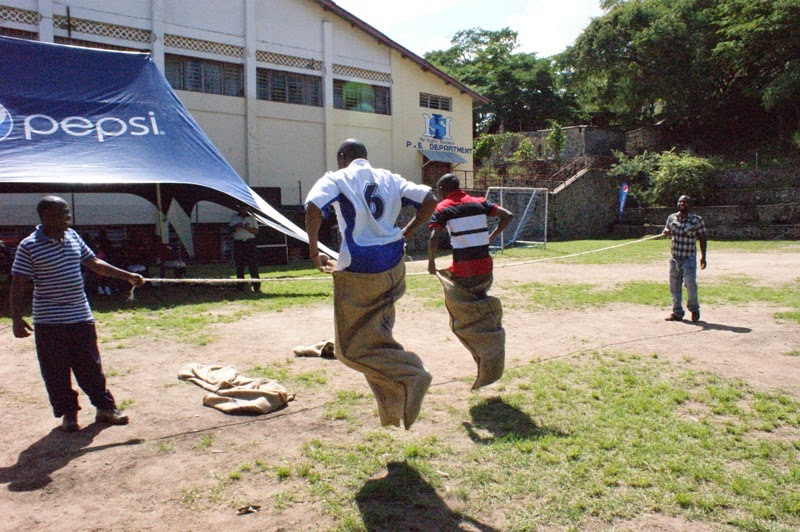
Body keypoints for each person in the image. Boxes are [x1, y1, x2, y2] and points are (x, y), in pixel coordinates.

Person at [305, 139, 437, 429]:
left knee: (350, 350)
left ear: (342, 158)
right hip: (394, 265)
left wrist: (314, 252)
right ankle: (392, 410)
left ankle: (414, 374)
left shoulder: (337, 178)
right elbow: (430, 200)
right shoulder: (390, 177)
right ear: (365, 157)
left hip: (361, 271)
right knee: (377, 339)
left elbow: (313, 208)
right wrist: (408, 231)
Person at [10, 196, 144, 433]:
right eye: (64, 212)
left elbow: (94, 263)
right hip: (49, 322)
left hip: (80, 316)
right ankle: (69, 414)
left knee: (91, 366)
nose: (69, 216)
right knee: (56, 370)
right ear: (47, 216)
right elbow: (18, 284)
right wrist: (16, 318)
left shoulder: (73, 236)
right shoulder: (28, 246)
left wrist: (127, 276)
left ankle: (105, 408)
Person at [427, 173, 514, 389]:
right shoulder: (479, 202)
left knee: (464, 320)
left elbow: (433, 237)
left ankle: (485, 356)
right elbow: (508, 216)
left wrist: (430, 263)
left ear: (442, 188)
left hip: (464, 272)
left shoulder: (443, 208)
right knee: (479, 311)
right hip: (485, 270)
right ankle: (488, 354)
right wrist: (491, 237)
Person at [662, 194, 707, 322]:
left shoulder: (697, 220)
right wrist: (666, 231)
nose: (682, 204)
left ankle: (694, 309)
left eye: (685, 202)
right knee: (674, 286)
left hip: (689, 258)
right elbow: (668, 229)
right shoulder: (671, 218)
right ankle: (677, 313)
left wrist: (703, 257)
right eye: (680, 202)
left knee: (690, 284)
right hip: (675, 258)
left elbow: (702, 238)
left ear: (690, 205)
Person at [229, 204, 260, 292]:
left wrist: (247, 228)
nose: (244, 210)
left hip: (249, 243)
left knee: (253, 265)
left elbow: (256, 231)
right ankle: (240, 287)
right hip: (238, 243)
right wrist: (237, 226)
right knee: (239, 266)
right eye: (242, 208)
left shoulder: (252, 218)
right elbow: (230, 230)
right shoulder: (234, 217)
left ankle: (256, 286)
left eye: (245, 208)